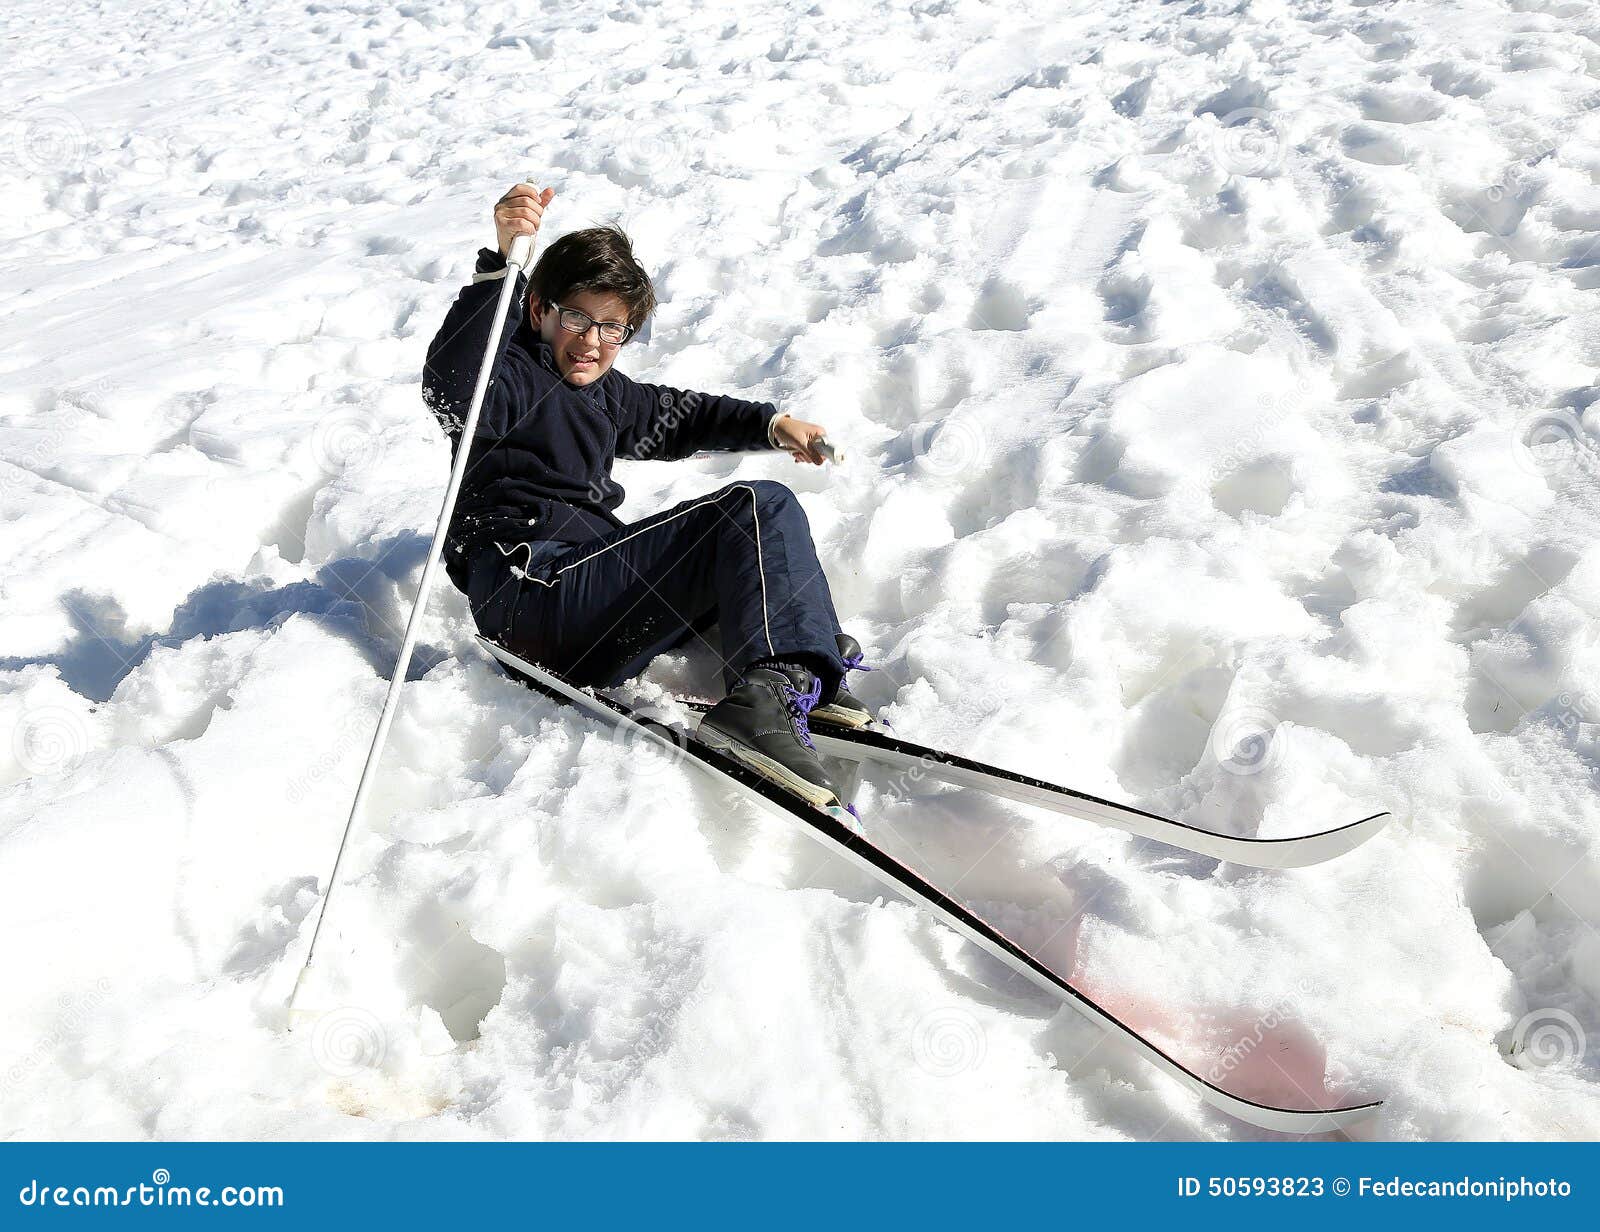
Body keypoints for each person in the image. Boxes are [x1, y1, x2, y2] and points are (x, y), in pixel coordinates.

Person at [423, 183, 872, 811]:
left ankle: (797, 663)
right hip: (532, 594)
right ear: (539, 310)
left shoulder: (604, 392)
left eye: (613, 328)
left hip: (585, 600)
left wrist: (771, 425)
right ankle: (775, 686)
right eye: (577, 318)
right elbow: (453, 389)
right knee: (755, 510)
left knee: (749, 556)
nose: (592, 341)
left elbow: (679, 414)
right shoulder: (510, 378)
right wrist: (500, 266)